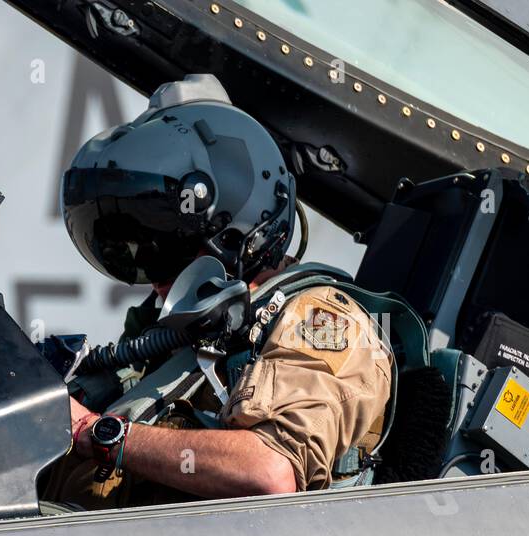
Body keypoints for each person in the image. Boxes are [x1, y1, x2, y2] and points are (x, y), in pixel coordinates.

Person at [42, 75, 392, 510]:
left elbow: (271, 471)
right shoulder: (179, 342)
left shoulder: (322, 320)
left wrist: (94, 433)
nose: (155, 273)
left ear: (236, 231)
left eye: (168, 242)